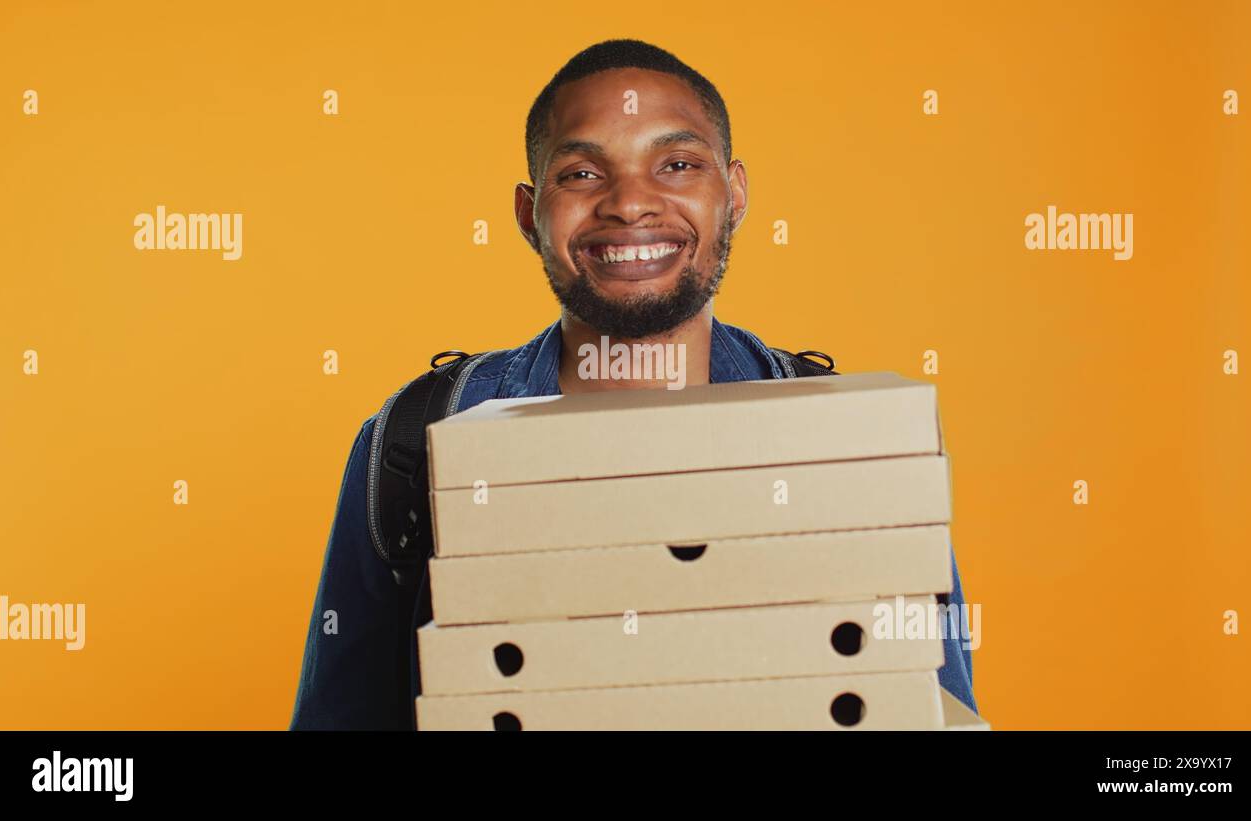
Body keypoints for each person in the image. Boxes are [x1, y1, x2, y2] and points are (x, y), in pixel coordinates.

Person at [290, 38, 977, 729]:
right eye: (583, 174)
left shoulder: (856, 448)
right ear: (531, 214)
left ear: (733, 194)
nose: (630, 203)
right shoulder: (411, 444)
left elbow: (930, 705)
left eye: (677, 164)